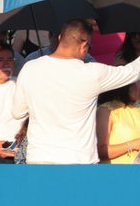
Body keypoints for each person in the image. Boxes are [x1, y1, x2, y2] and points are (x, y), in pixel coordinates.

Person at [13, 19, 140, 164]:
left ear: (60, 38)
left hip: (40, 159)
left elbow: (17, 113)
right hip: (78, 162)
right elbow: (133, 71)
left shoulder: (30, 68)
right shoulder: (92, 72)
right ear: (84, 45)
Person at [96, 80, 140, 164]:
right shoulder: (106, 110)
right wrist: (133, 145)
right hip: (115, 173)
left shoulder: (137, 109)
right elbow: (100, 151)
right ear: (128, 84)